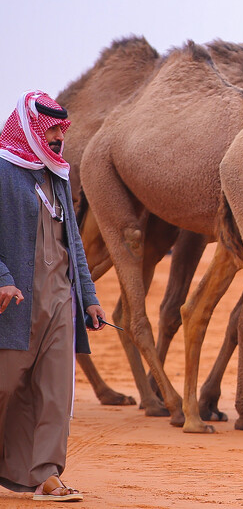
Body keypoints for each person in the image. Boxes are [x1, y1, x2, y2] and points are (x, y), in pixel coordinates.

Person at [0, 91, 106, 502]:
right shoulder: (4, 172)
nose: (61, 136)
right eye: (53, 129)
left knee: (55, 391)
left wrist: (90, 296)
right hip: (15, 304)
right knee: (7, 386)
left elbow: (73, 242)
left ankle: (47, 476)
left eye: (62, 128)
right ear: (29, 129)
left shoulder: (57, 173)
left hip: (62, 299)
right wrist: (3, 277)